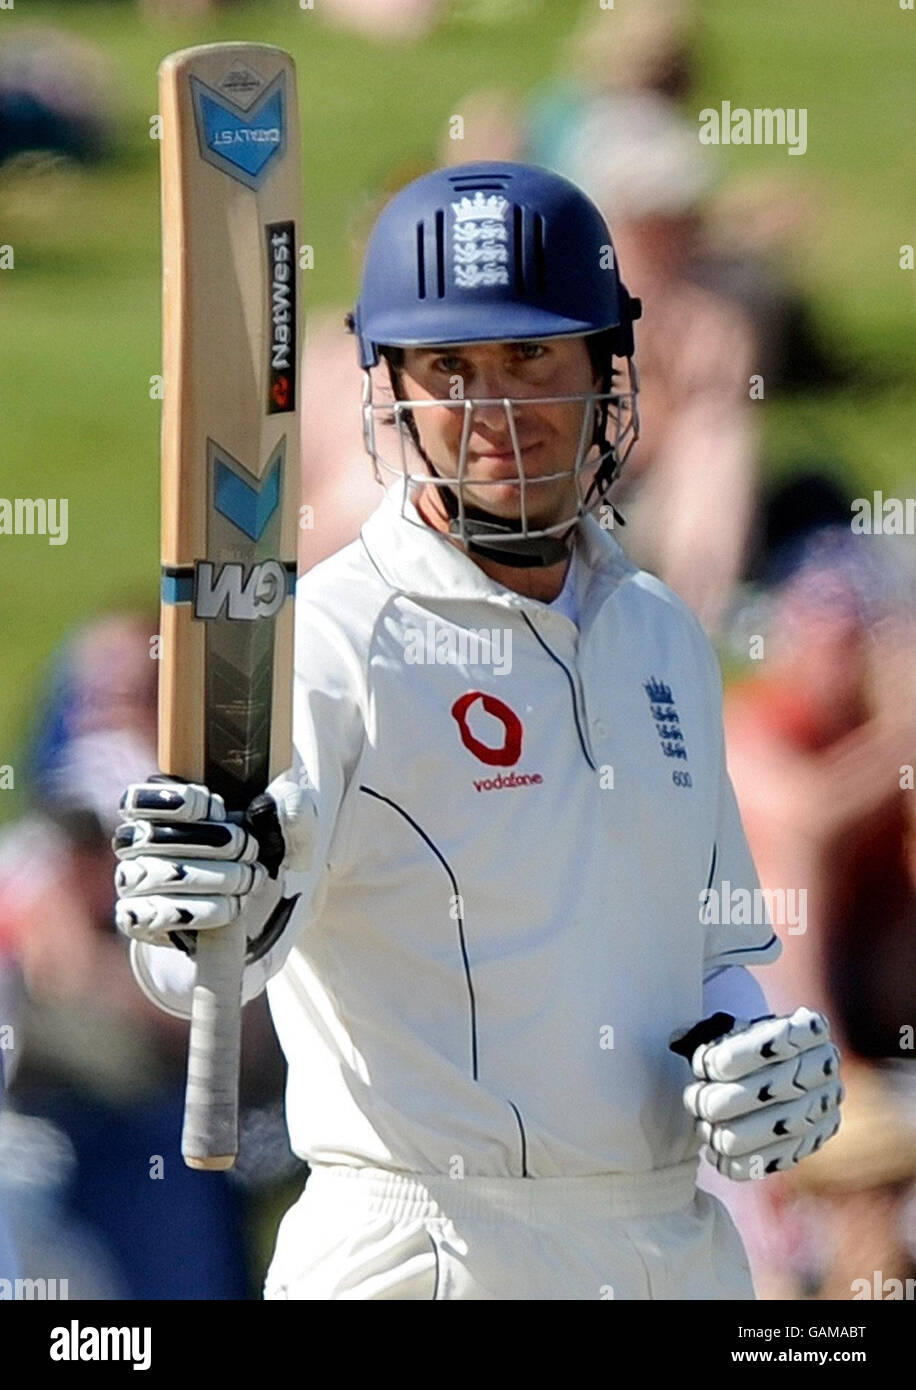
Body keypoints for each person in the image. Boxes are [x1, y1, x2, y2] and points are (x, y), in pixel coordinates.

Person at [113, 162, 842, 1301]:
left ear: (608, 368)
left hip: (671, 1246)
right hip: (431, 1249)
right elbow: (200, 956)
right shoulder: (332, 641)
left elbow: (706, 952)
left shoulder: (659, 633)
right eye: (450, 365)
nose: (495, 407)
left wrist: (757, 1058)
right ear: (391, 385)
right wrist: (193, 895)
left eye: (531, 357)